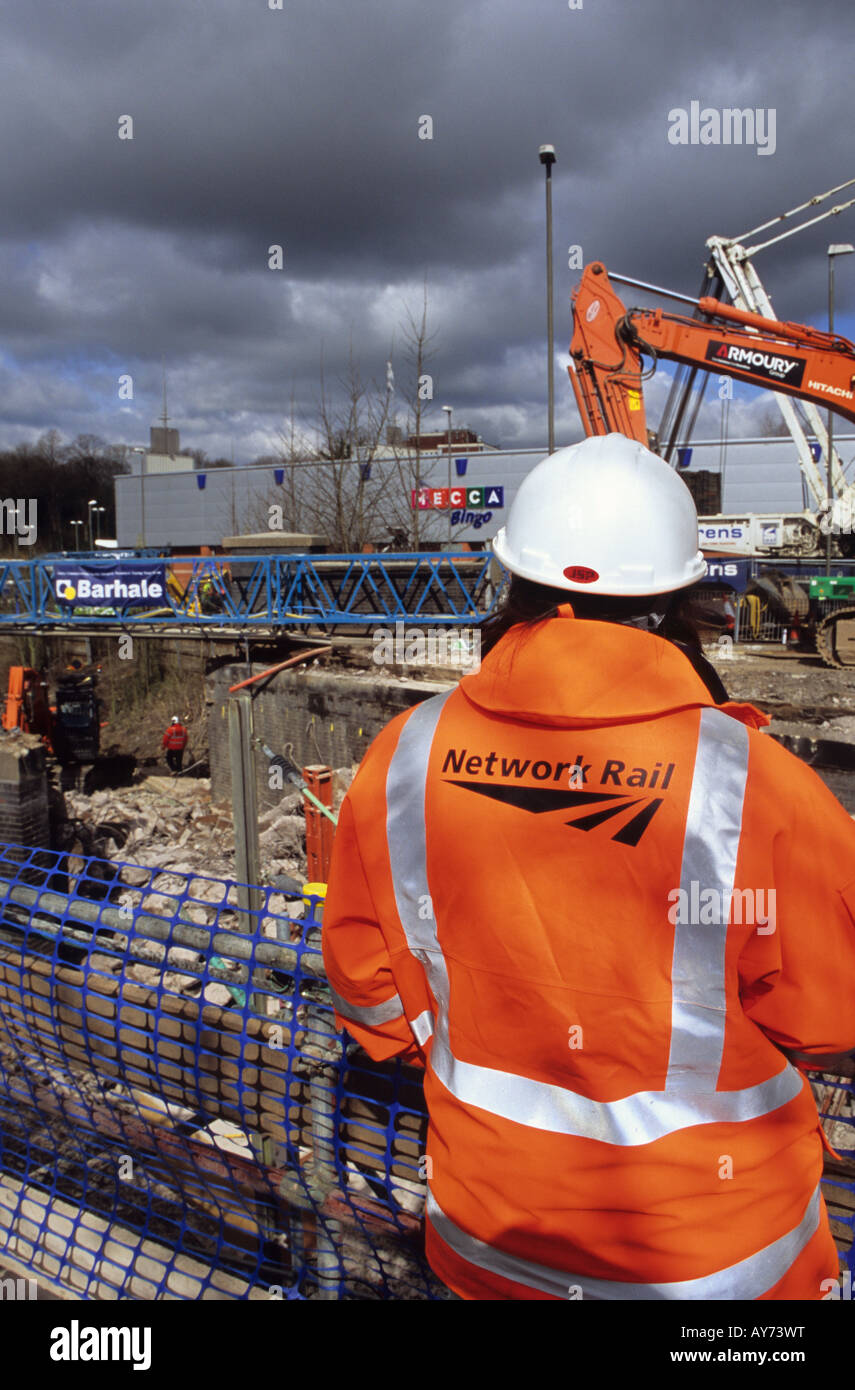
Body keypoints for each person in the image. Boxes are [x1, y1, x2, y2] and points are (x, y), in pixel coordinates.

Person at [321, 432, 855, 1301]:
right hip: (712, 1269)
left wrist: (445, 1043)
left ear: (513, 582)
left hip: (490, 1245)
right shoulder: (751, 783)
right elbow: (837, 1019)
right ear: (680, 595)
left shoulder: (407, 755)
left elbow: (368, 993)